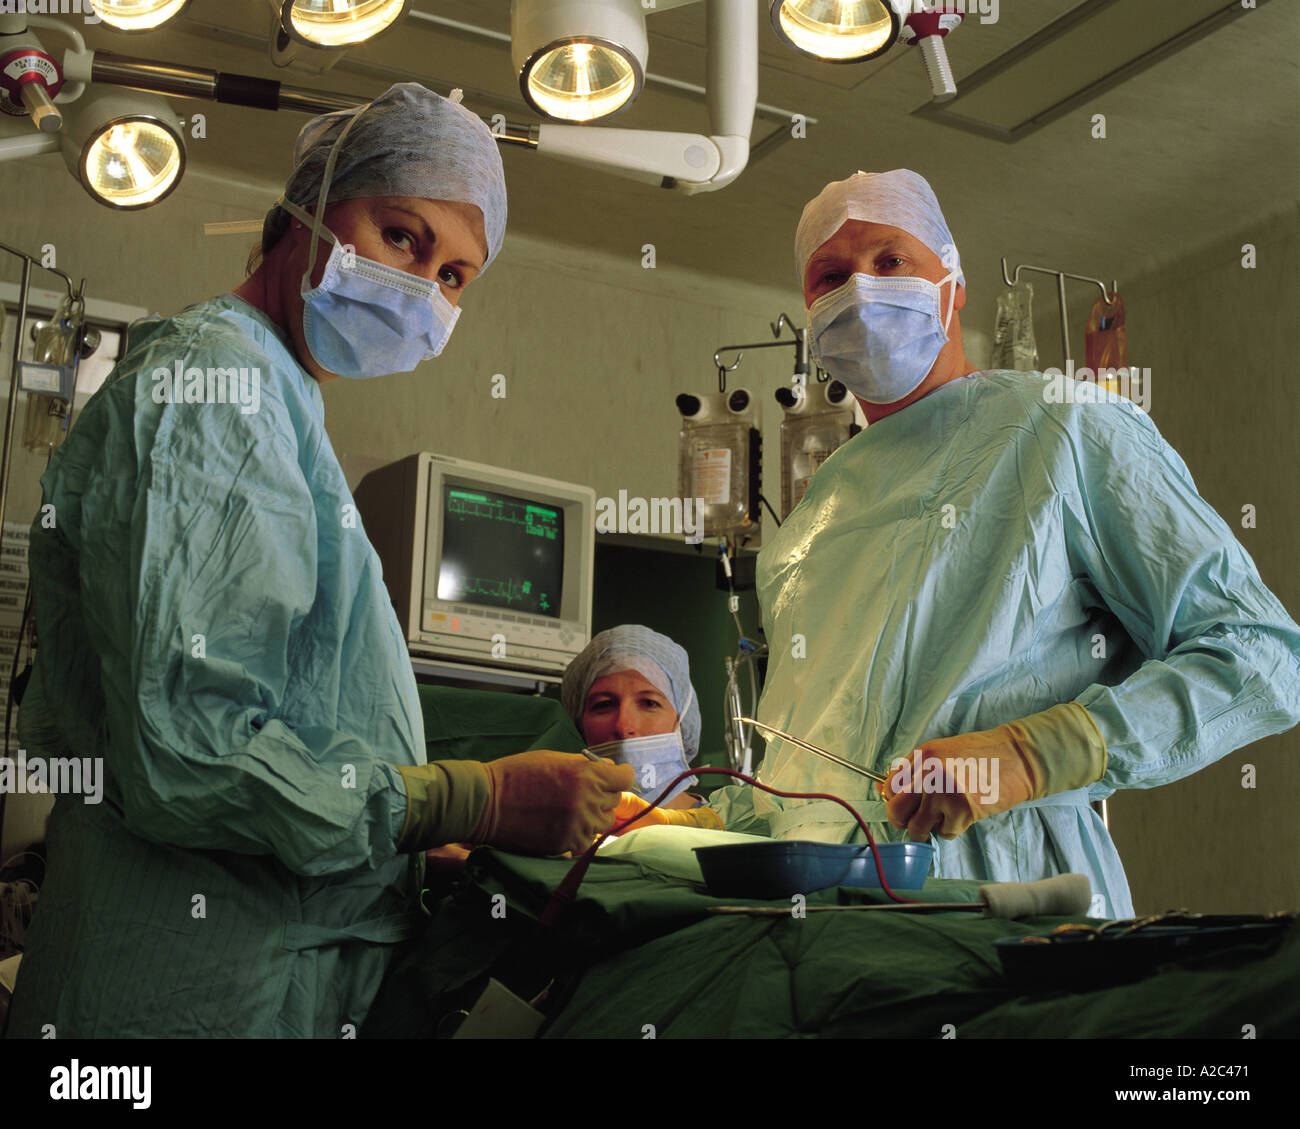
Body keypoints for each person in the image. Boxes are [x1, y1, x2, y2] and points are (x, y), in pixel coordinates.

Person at [6, 83, 631, 1039]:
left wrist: (417, 846)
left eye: (457, 276)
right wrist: (479, 796)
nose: (424, 290)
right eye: (402, 237)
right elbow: (193, 755)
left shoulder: (276, 399)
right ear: (308, 206)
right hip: (185, 994)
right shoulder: (216, 389)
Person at [709, 169, 1300, 919]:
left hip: (1012, 909)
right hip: (822, 925)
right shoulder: (806, 528)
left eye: (890, 261)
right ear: (810, 313)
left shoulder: (1064, 430)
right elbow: (801, 762)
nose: (861, 289)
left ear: (952, 286)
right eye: (832, 276)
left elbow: (1262, 654)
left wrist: (1035, 753)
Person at [562, 625, 723, 827]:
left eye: (649, 703)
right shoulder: (564, 836)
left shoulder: (720, 830)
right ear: (579, 725)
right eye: (603, 705)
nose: (623, 725)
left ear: (683, 720)